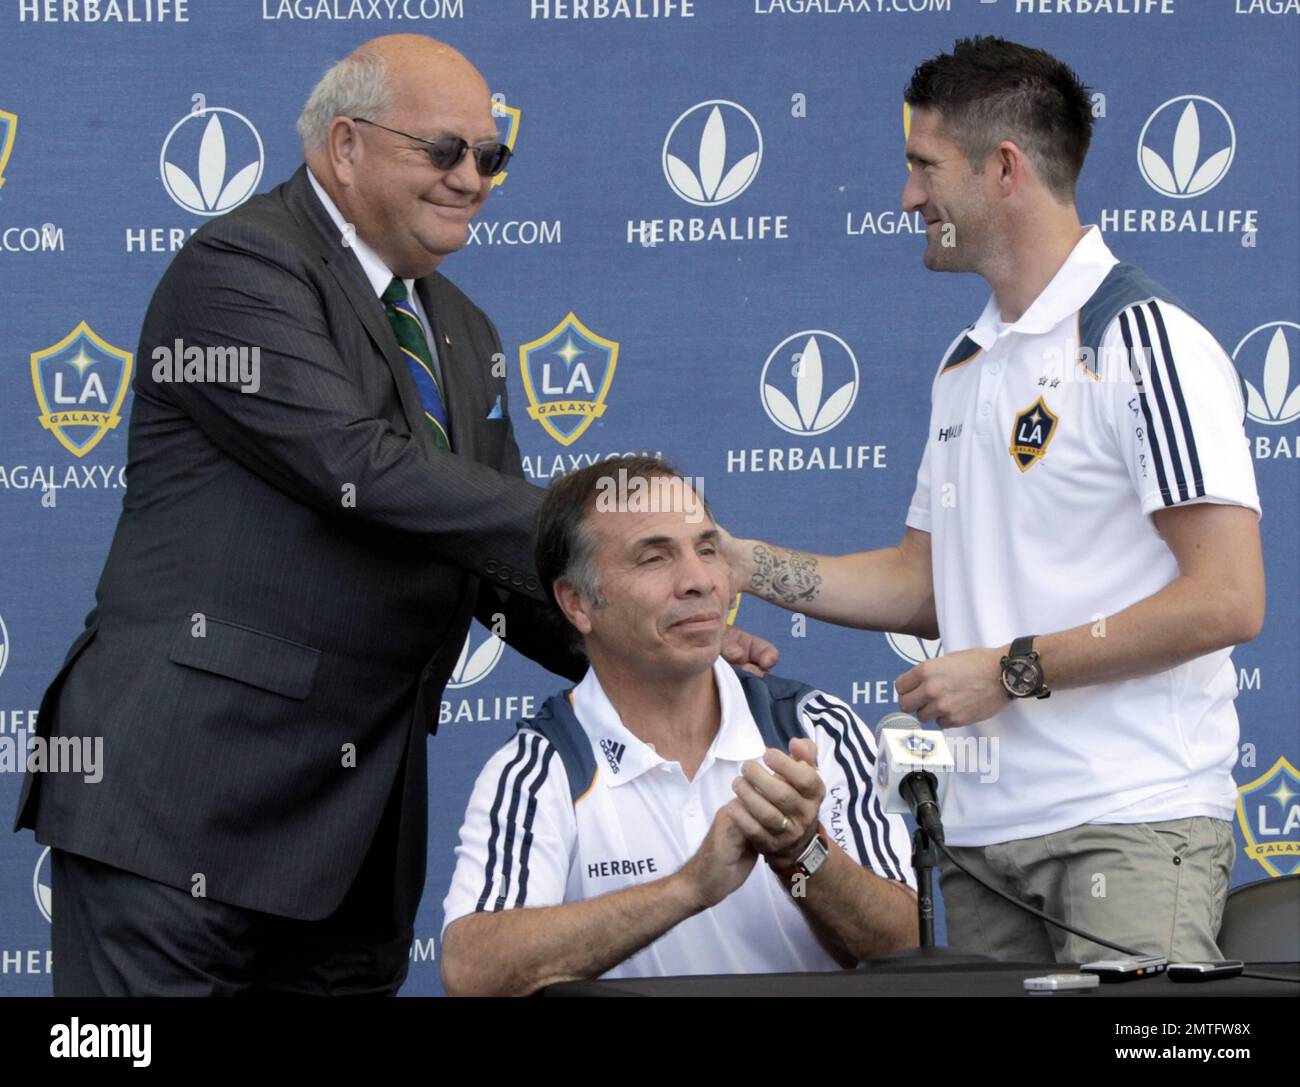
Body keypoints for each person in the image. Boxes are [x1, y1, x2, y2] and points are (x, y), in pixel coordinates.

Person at [14, 36, 774, 996]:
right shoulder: (240, 267)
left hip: (355, 842)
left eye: (491, 158)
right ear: (345, 145)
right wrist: (632, 521)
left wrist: (641, 641)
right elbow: (361, 469)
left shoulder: (461, 327)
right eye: (444, 151)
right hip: (186, 807)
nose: (473, 179)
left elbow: (495, 552)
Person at [722, 37, 1263, 964]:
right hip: (979, 846)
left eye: (924, 166)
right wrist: (738, 563)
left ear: (1003, 168)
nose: (908, 198)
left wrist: (1009, 670)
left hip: (1127, 824)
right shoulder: (968, 363)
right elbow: (922, 582)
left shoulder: (1140, 341)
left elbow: (1227, 597)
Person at [439, 457, 917, 995]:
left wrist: (803, 854)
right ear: (577, 602)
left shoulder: (816, 726)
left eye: (707, 550)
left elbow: (904, 945)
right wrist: (688, 888)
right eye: (654, 558)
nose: (699, 581)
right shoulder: (539, 766)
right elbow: (472, 970)